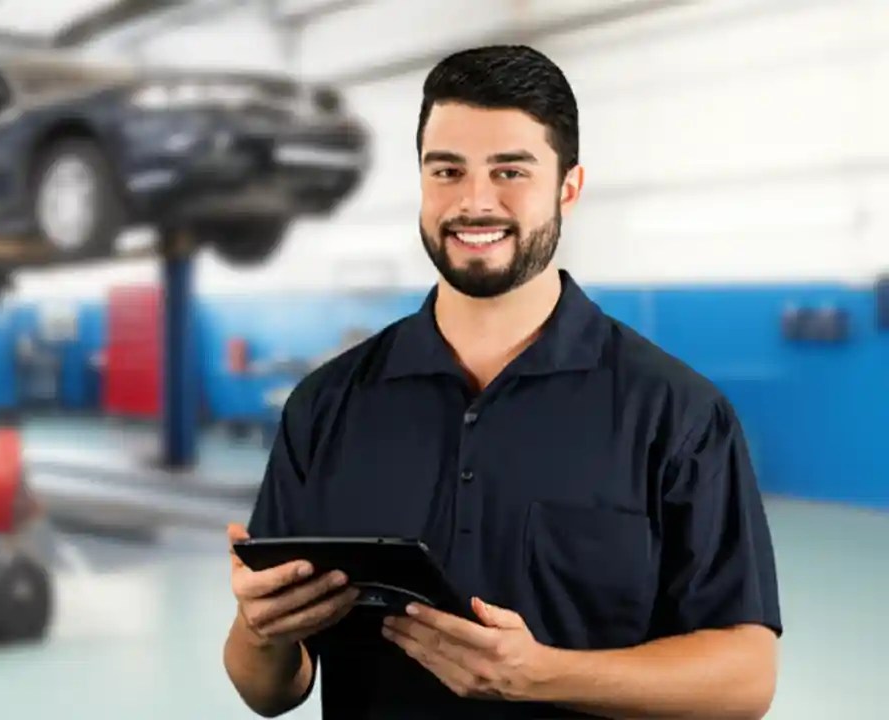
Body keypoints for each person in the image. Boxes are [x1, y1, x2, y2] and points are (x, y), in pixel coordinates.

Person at [222, 45, 782, 720]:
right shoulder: (327, 404)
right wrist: (259, 631)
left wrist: (544, 676)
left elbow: (746, 677)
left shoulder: (677, 413)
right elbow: (269, 691)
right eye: (447, 171)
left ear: (567, 187)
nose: (474, 201)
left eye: (509, 171)